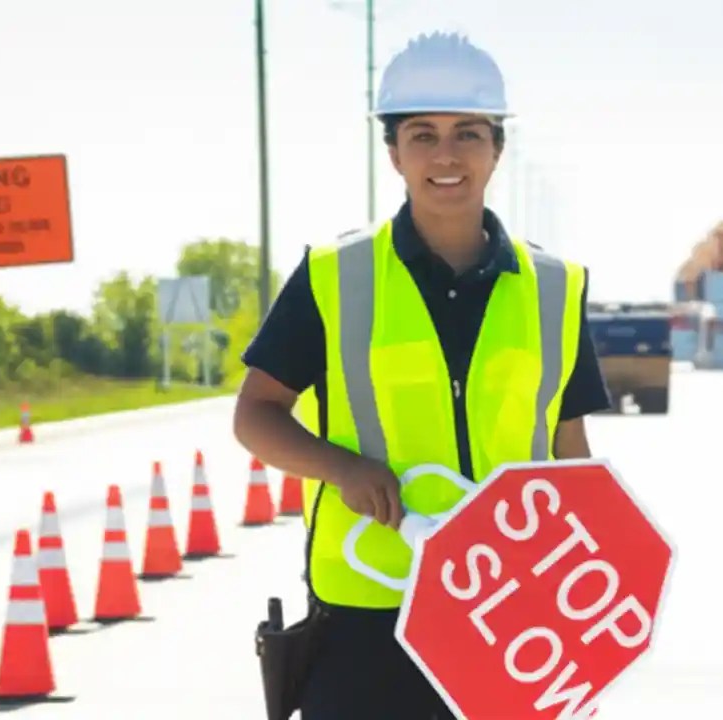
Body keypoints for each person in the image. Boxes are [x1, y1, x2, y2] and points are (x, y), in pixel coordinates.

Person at [233, 30, 612, 720]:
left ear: (497, 149)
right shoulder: (333, 275)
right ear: (394, 154)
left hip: (510, 615)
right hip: (369, 611)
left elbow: (569, 453)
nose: (446, 155)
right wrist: (341, 468)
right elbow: (255, 414)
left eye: (468, 134)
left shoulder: (556, 287)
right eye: (423, 135)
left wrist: (583, 610)